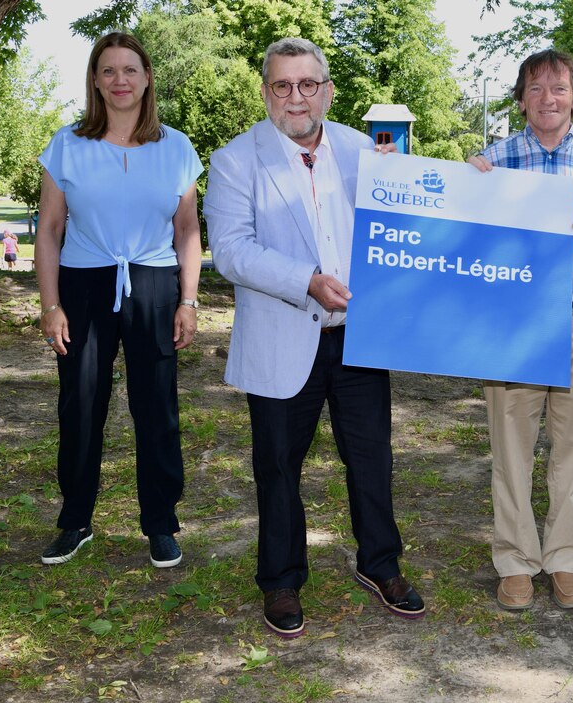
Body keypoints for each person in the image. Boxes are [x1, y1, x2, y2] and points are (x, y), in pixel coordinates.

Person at [204, 37, 424, 639]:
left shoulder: (362, 150)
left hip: (358, 339)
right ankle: (280, 580)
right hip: (281, 336)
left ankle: (380, 565)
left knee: (372, 460)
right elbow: (230, 250)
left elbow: (415, 213)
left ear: (326, 90)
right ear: (266, 92)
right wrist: (307, 281)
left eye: (307, 85)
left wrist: (472, 182)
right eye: (282, 85)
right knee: (277, 467)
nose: (295, 97)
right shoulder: (233, 161)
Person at [468, 49, 573, 611]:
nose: (547, 99)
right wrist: (468, 190)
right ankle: (515, 560)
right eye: (536, 89)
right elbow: (467, 241)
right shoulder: (490, 162)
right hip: (513, 322)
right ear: (520, 99)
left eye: (558, 88)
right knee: (511, 443)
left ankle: (565, 559)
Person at [34, 31, 201, 569]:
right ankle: (75, 520)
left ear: (147, 77)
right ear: (95, 80)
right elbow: (51, 230)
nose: (120, 80)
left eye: (130, 69)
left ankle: (160, 524)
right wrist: (50, 304)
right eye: (109, 71)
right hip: (84, 286)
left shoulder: (175, 146)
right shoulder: (67, 143)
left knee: (157, 410)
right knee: (81, 406)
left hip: (153, 285)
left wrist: (189, 300)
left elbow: (187, 231)